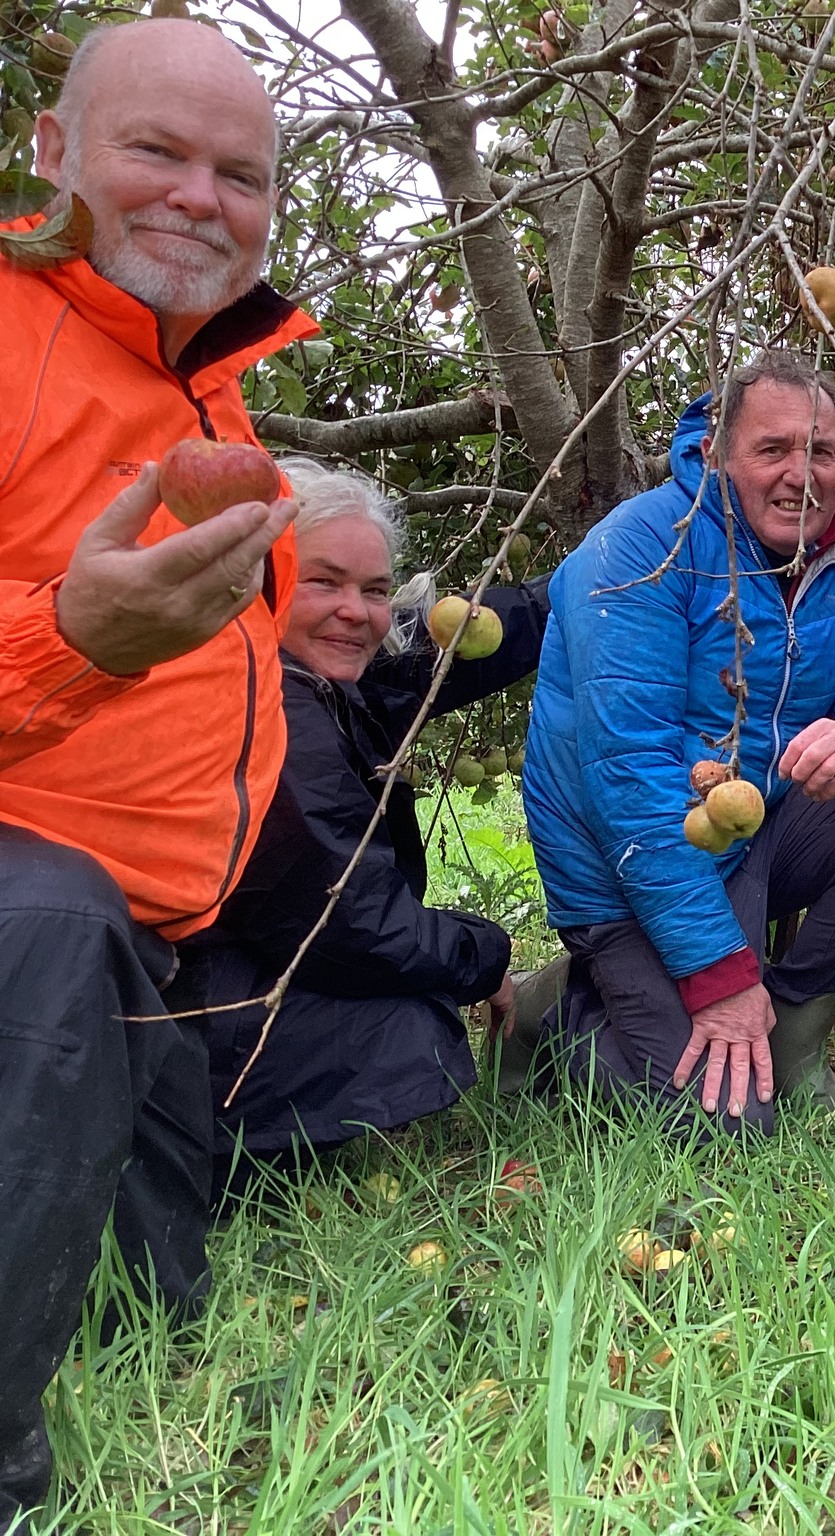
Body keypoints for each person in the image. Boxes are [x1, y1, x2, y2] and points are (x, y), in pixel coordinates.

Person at [0, 19, 310, 1520]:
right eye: (157, 153)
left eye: (238, 174)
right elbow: (93, 642)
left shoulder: (209, 395)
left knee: (153, 1298)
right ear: (53, 152)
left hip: (157, 935)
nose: (200, 197)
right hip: (33, 920)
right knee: (45, 926)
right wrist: (71, 635)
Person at [520, 350, 835, 1136]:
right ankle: (547, 1015)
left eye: (820, 451)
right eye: (773, 450)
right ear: (716, 454)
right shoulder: (642, 549)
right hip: (623, 864)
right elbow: (629, 779)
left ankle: (791, 1035)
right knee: (719, 1125)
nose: (802, 473)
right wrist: (719, 977)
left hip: (749, 835)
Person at [164, 464, 550, 1197]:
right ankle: (218, 1160)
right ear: (261, 581)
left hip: (200, 985)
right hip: (188, 1016)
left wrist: (569, 592)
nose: (359, 611)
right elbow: (348, 923)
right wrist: (485, 957)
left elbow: (421, 665)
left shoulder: (295, 674)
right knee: (411, 1031)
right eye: (324, 582)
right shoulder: (266, 713)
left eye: (375, 590)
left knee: (416, 1005)